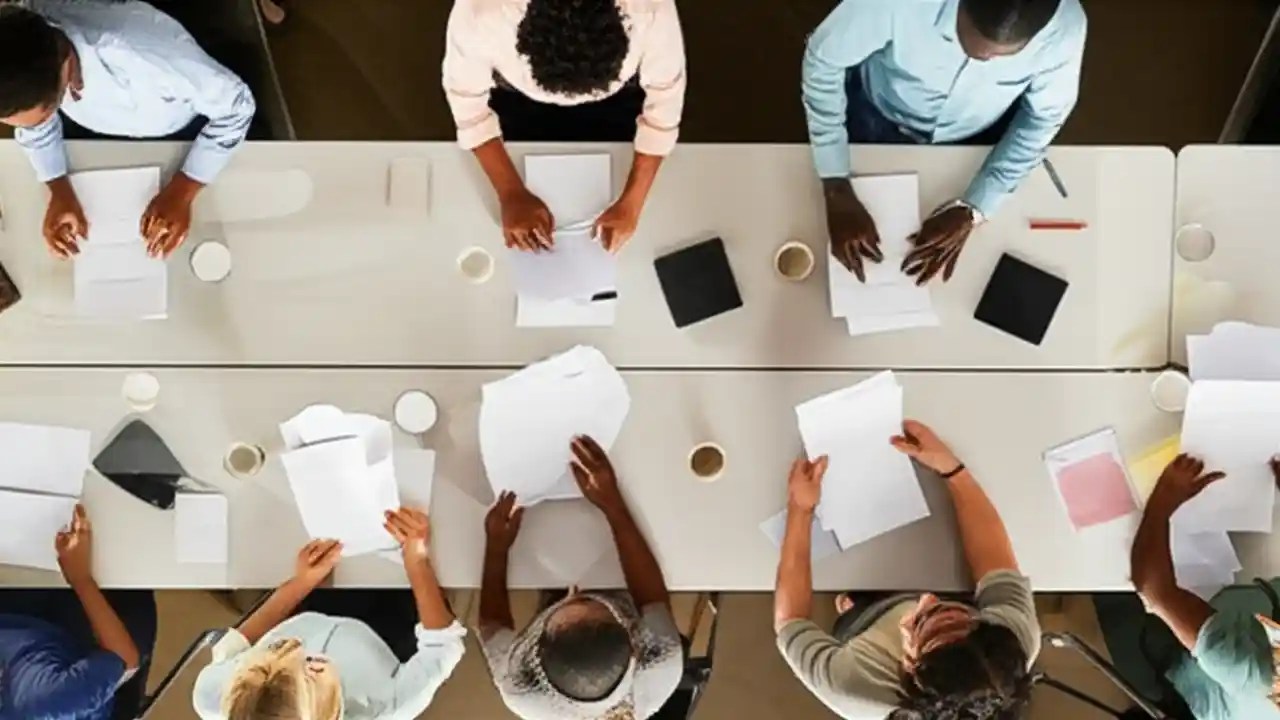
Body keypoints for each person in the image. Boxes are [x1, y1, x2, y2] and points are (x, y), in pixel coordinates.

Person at [804, 0, 1086, 284]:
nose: (984, 58)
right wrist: (835, 185)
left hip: (974, 137)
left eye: (1003, 55)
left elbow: (1041, 120)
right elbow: (824, 61)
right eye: (974, 40)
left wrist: (975, 208)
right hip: (879, 111)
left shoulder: (1066, 28)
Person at [774, 420, 1039, 719]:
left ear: (910, 668)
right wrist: (953, 470)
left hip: (869, 615)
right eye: (962, 620)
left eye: (926, 623)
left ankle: (858, 609)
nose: (928, 598)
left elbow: (790, 623)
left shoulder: (856, 688)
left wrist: (800, 508)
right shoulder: (1011, 645)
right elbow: (994, 559)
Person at [0, 1, 256, 260]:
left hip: (183, 120)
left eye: (44, 116)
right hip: (107, 122)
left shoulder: (148, 60)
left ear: (65, 72)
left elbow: (238, 107)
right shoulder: (24, 33)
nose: (36, 128)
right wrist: (57, 186)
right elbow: (35, 124)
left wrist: (183, 189)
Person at [443, 0, 686, 253]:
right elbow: (468, 102)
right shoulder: (480, 11)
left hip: (617, 102)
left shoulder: (651, 8)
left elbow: (664, 100)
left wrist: (632, 203)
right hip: (516, 99)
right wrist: (510, 191)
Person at [479, 435, 684, 719]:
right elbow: (651, 599)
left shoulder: (523, 691)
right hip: (619, 589)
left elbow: (492, 623)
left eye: (569, 605)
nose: (575, 591)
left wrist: (496, 549)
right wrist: (613, 504)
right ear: (634, 644)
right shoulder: (660, 667)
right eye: (587, 601)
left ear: (535, 651)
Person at [192, 508, 466, 719]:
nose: (296, 647)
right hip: (388, 634)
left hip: (309, 608)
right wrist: (417, 561)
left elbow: (240, 642)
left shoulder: (213, 696)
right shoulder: (387, 708)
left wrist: (300, 583)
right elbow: (443, 646)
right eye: (309, 666)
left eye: (274, 651)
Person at [1130, 453, 1280, 719]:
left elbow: (1156, 592)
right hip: (1251, 607)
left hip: (1198, 681)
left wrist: (1164, 499)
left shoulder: (1250, 669)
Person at [0, 504, 156, 720]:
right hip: (85, 647)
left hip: (19, 629)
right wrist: (80, 577)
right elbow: (123, 659)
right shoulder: (46, 703)